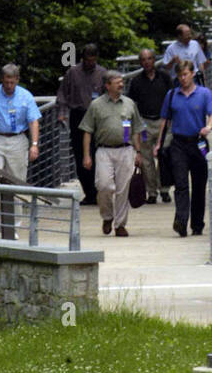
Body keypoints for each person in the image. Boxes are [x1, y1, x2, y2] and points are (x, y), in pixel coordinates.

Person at [154, 60, 212, 237]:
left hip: (198, 142)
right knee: (181, 184)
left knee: (199, 184)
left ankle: (197, 224)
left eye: (185, 75)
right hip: (178, 143)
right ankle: (181, 221)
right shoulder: (172, 95)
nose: (183, 79)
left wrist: (209, 127)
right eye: (180, 75)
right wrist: (159, 143)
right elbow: (164, 120)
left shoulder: (204, 93)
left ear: (192, 74)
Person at [80, 72, 144, 236]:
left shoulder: (130, 104)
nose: (121, 85)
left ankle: (120, 224)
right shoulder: (96, 105)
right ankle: (107, 216)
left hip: (125, 149)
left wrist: (138, 152)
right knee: (104, 185)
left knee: (123, 188)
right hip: (104, 150)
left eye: (122, 82)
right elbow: (87, 130)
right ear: (107, 85)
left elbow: (137, 129)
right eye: (117, 83)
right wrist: (86, 155)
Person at [56, 45, 107, 204]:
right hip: (78, 115)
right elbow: (63, 93)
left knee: (98, 154)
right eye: (87, 60)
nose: (90, 63)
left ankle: (99, 191)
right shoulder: (73, 73)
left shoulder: (102, 73)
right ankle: (89, 193)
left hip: (98, 116)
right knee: (80, 156)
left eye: (93, 60)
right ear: (82, 58)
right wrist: (62, 113)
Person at [0, 64, 41, 180]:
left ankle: (11, 198)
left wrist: (34, 145)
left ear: (17, 80)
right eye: (6, 82)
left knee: (16, 180)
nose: (9, 86)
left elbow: (33, 121)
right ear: (2, 80)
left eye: (12, 83)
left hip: (17, 141)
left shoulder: (26, 96)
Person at [126, 48, 172, 203]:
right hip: (144, 123)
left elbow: (172, 97)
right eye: (144, 59)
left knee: (164, 155)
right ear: (141, 62)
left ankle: (164, 188)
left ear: (154, 60)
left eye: (150, 58)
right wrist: (131, 128)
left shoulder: (164, 77)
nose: (147, 62)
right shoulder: (136, 81)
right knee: (146, 159)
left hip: (162, 121)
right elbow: (131, 104)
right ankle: (151, 191)